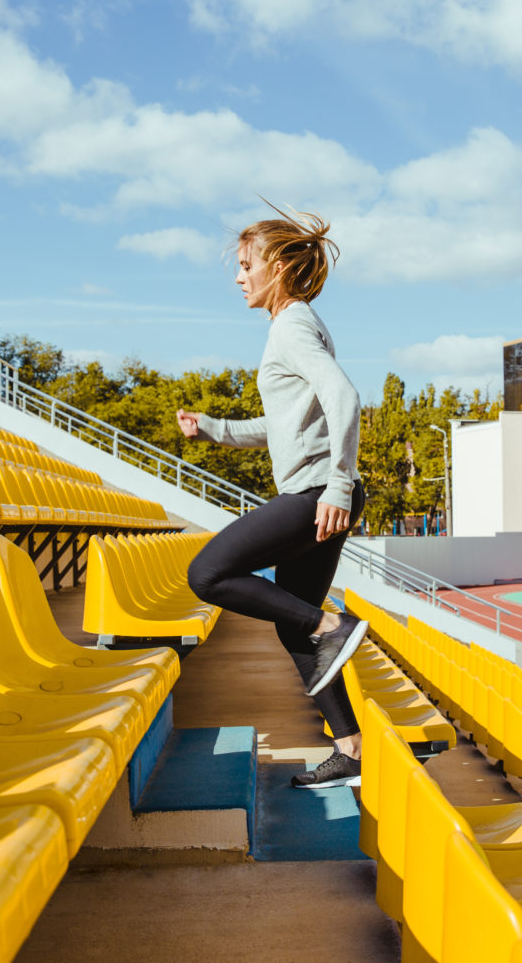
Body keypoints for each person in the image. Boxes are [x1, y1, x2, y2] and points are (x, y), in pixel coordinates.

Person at [176, 206, 369, 790]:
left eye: (245, 265)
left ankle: (332, 622)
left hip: (318, 493)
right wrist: (215, 428)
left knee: (208, 572)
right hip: (323, 491)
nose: (238, 277)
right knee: (295, 627)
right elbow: (287, 422)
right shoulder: (295, 324)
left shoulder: (291, 326)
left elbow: (345, 398)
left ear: (279, 265)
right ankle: (350, 752)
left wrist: (337, 482)